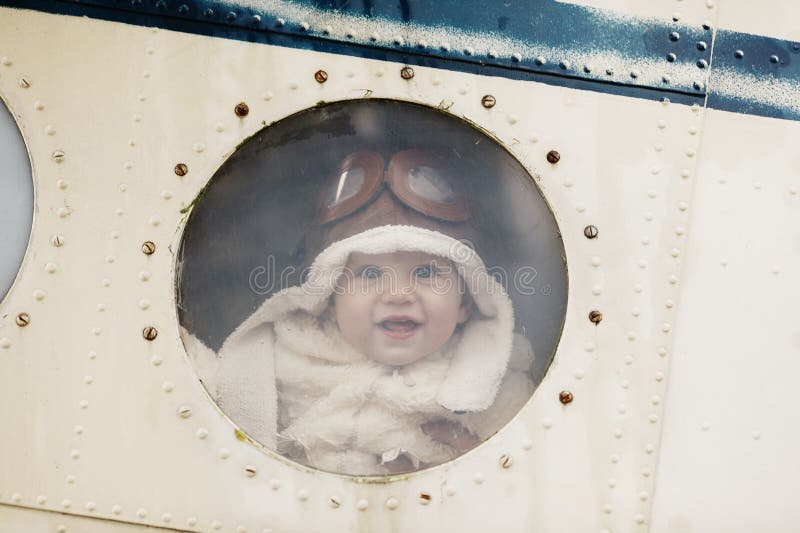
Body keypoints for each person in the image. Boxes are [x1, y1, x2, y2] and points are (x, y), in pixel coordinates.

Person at [188, 149, 535, 475]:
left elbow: (533, 474)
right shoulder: (287, 360)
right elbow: (211, 399)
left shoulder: (498, 391)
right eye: (370, 273)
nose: (399, 295)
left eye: (426, 272)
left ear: (466, 303)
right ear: (329, 298)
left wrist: (482, 472)